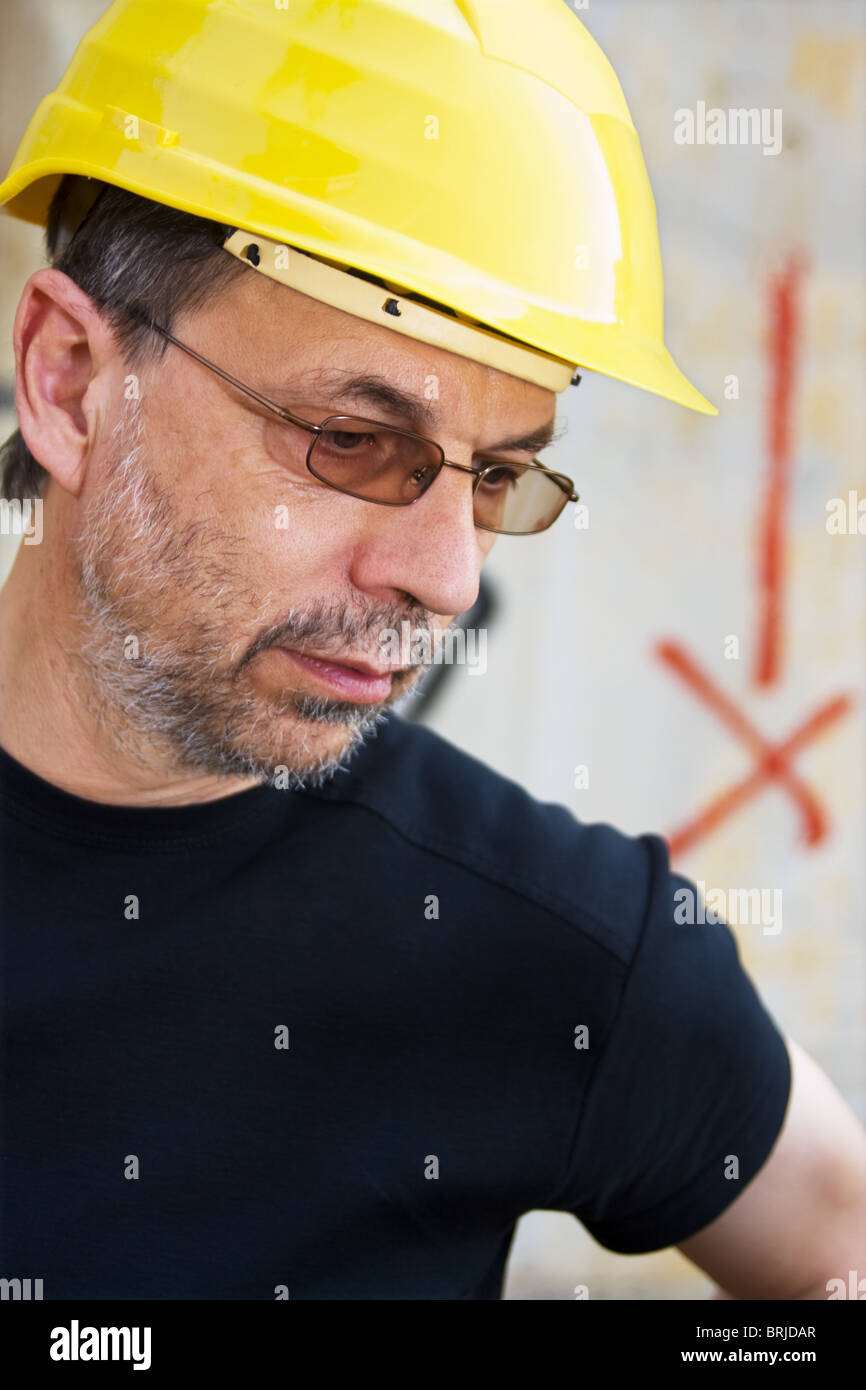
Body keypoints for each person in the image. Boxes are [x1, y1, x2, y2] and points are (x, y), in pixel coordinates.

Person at [0, 0, 863, 1301]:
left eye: (501, 475)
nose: (447, 575)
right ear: (70, 380)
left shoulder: (557, 945)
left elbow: (833, 1246)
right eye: (349, 437)